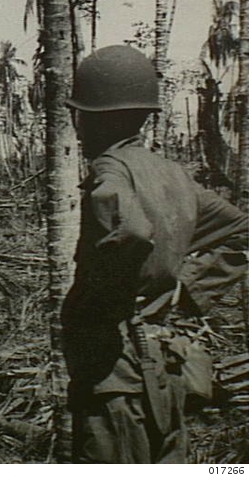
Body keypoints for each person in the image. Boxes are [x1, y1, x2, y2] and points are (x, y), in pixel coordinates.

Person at [62, 45, 248, 464]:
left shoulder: (110, 170)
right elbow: (242, 232)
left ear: (94, 117)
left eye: (81, 117)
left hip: (116, 370)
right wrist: (187, 289)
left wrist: (105, 300)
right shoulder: (172, 174)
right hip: (164, 367)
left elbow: (129, 233)